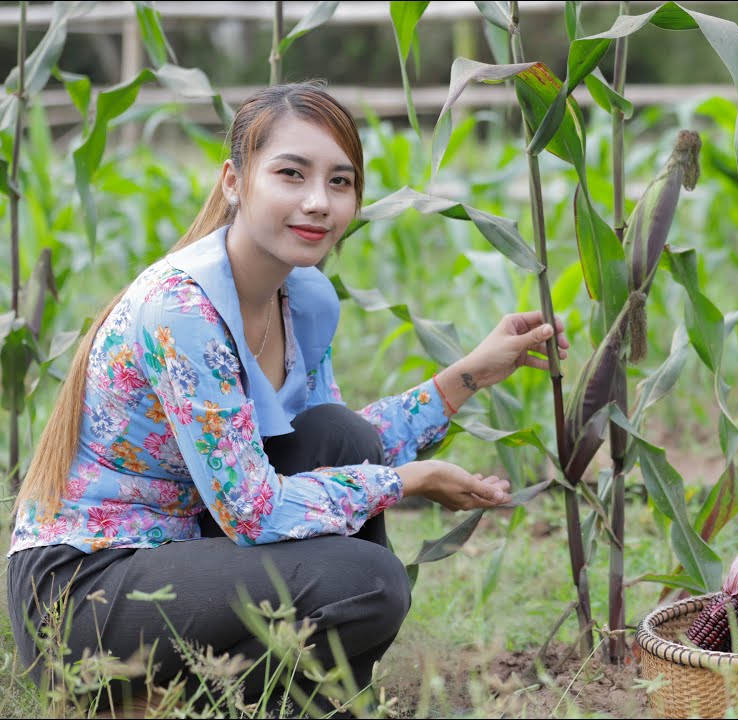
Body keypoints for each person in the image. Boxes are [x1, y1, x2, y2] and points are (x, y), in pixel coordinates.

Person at [5, 81, 569, 714]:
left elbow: (335, 449)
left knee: (338, 435)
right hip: (85, 594)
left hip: (183, 550)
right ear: (234, 181)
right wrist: (406, 481)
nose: (317, 203)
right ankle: (155, 698)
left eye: (340, 181)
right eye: (291, 174)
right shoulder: (183, 310)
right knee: (369, 581)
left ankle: (267, 699)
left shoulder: (304, 297)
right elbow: (253, 510)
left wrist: (467, 376)